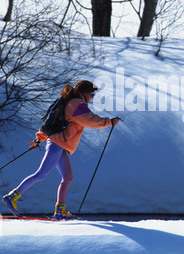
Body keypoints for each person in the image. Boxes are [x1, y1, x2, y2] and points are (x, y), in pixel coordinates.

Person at [2, 80, 120, 219]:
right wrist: (109, 122)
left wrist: (39, 139)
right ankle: (12, 196)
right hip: (57, 143)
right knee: (41, 174)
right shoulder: (77, 103)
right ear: (85, 92)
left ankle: (59, 211)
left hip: (60, 144)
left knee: (68, 177)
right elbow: (89, 120)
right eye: (92, 93)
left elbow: (54, 122)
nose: (92, 97)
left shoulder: (68, 102)